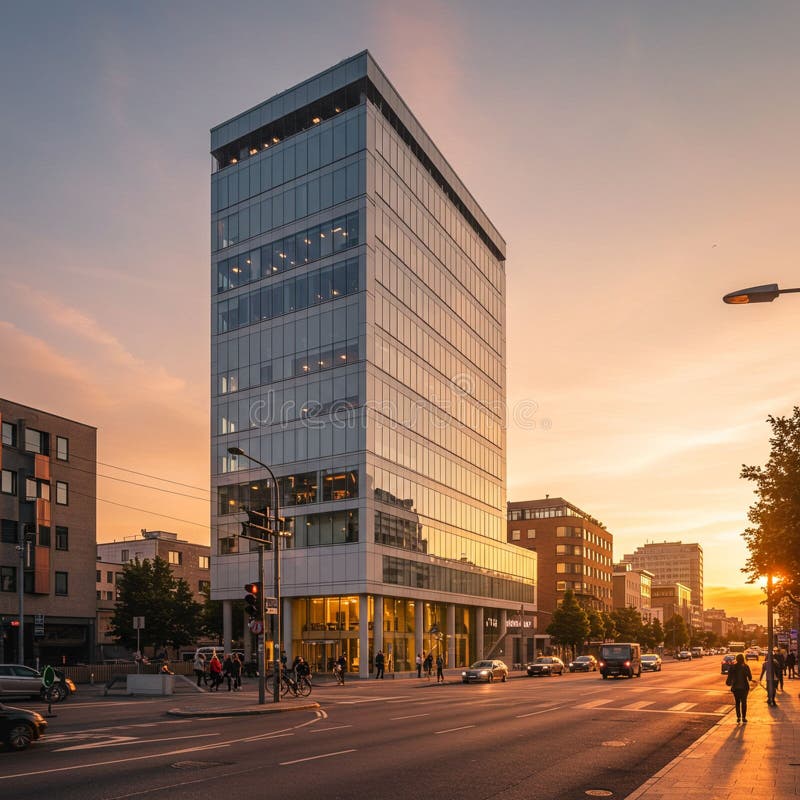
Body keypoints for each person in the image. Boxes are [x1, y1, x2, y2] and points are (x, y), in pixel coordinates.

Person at [726, 652, 753, 722]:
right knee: (744, 702)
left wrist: (729, 682)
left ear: (736, 659)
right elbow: (750, 678)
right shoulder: (746, 667)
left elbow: (729, 676)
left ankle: (738, 717)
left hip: (735, 687)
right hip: (744, 687)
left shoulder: (733, 667)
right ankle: (744, 717)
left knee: (737, 702)